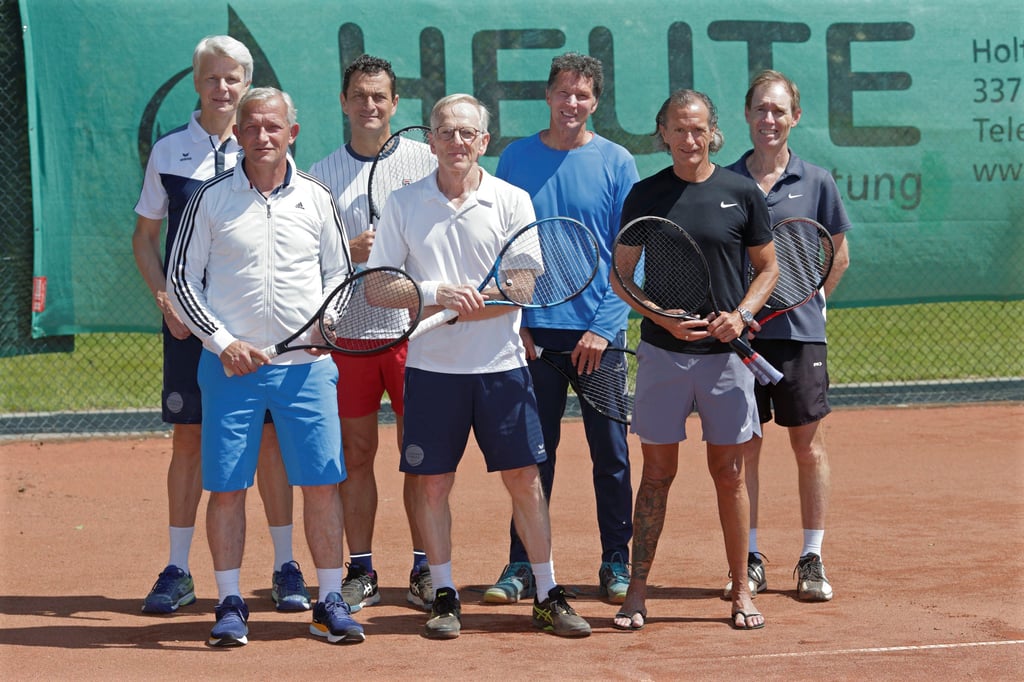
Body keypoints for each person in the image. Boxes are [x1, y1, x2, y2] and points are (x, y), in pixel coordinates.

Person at [367, 93, 591, 640]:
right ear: (431, 141)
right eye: (447, 132)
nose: (458, 142)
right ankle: (444, 595)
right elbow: (377, 286)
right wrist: (436, 293)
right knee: (433, 485)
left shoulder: (512, 200)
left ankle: (547, 592)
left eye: (468, 133)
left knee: (524, 481)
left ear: (484, 142)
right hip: (431, 371)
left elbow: (522, 287)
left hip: (501, 368)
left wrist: (474, 304)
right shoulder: (403, 203)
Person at [167, 87, 363, 646]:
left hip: (307, 370)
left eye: (273, 126)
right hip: (230, 371)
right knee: (227, 489)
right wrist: (222, 341)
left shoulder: (318, 199)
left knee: (322, 486)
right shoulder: (210, 199)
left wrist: (330, 322)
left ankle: (329, 600)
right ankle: (229, 602)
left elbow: (338, 277)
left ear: (292, 133)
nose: (262, 136)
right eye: (251, 127)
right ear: (239, 134)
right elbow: (184, 278)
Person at [131, 35, 308, 616]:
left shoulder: (265, 146)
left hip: (259, 332)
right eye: (213, 78)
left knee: (271, 442)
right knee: (188, 441)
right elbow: (144, 238)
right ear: (196, 82)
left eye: (234, 78)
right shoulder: (169, 151)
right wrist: (168, 303)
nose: (223, 88)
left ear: (245, 82)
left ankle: (286, 566)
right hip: (189, 329)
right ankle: (179, 570)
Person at [609, 89, 779, 631]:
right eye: (679, 129)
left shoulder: (741, 192)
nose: (689, 139)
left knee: (728, 474)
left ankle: (739, 591)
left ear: (713, 131)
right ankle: (637, 593)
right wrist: (659, 317)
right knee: (656, 475)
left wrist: (742, 314)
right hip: (663, 356)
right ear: (664, 133)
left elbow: (768, 268)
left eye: (699, 129)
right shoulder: (645, 194)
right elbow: (620, 274)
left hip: (725, 358)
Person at [486, 52, 639, 607]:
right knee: (531, 457)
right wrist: (516, 321)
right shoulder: (515, 158)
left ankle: (616, 561)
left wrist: (603, 328)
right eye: (563, 93)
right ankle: (523, 565)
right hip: (533, 337)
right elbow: (498, 245)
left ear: (596, 102)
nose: (572, 103)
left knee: (612, 455)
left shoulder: (618, 162)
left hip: (599, 339)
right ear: (547, 96)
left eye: (583, 95)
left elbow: (632, 258)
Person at [308, 54, 436, 614]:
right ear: (343, 102)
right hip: (351, 336)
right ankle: (361, 570)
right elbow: (306, 258)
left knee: (420, 454)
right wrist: (347, 249)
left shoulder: (426, 163)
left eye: (379, 96)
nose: (369, 105)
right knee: (356, 454)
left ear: (394, 104)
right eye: (359, 95)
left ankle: (426, 568)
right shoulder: (318, 176)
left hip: (416, 333)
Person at [722, 70, 851, 602]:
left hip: (801, 337)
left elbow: (837, 255)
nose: (769, 119)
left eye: (779, 110)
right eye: (760, 109)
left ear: (794, 117)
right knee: (743, 448)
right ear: (747, 115)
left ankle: (812, 558)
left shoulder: (817, 181)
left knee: (808, 448)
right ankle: (749, 559)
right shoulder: (724, 182)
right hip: (743, 339)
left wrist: (812, 301)